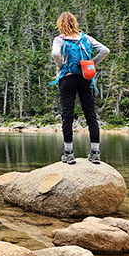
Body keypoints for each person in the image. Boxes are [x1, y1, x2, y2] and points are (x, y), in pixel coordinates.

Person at [51, 12, 109, 165]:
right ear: (75, 23)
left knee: (67, 115)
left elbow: (55, 53)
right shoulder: (85, 38)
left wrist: (61, 66)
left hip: (67, 78)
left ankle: (69, 154)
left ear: (60, 24)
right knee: (91, 115)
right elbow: (105, 50)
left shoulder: (59, 39)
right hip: (86, 78)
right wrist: (91, 64)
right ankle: (95, 153)